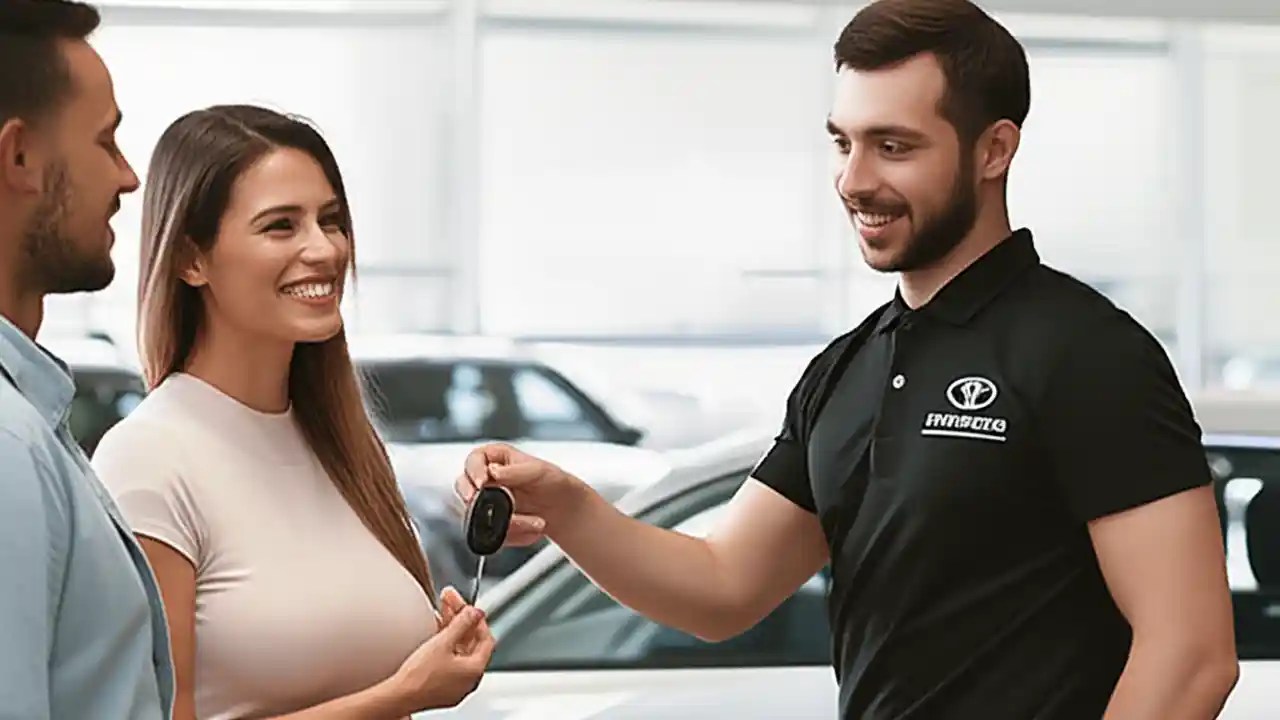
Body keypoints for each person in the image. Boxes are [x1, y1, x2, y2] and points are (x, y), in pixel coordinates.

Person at [458, 1, 1240, 718]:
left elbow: (1192, 655)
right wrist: (565, 505)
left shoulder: (1090, 352)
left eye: (893, 147)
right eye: (844, 141)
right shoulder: (847, 368)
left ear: (994, 149)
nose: (854, 180)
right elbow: (722, 589)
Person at [91, 104, 494, 720]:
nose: (325, 249)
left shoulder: (344, 445)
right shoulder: (149, 459)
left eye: (331, 221)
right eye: (281, 226)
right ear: (190, 259)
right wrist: (403, 693)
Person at [0, 1, 175, 717]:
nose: (129, 178)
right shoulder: (9, 443)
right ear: (18, 157)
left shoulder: (28, 419)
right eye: (106, 142)